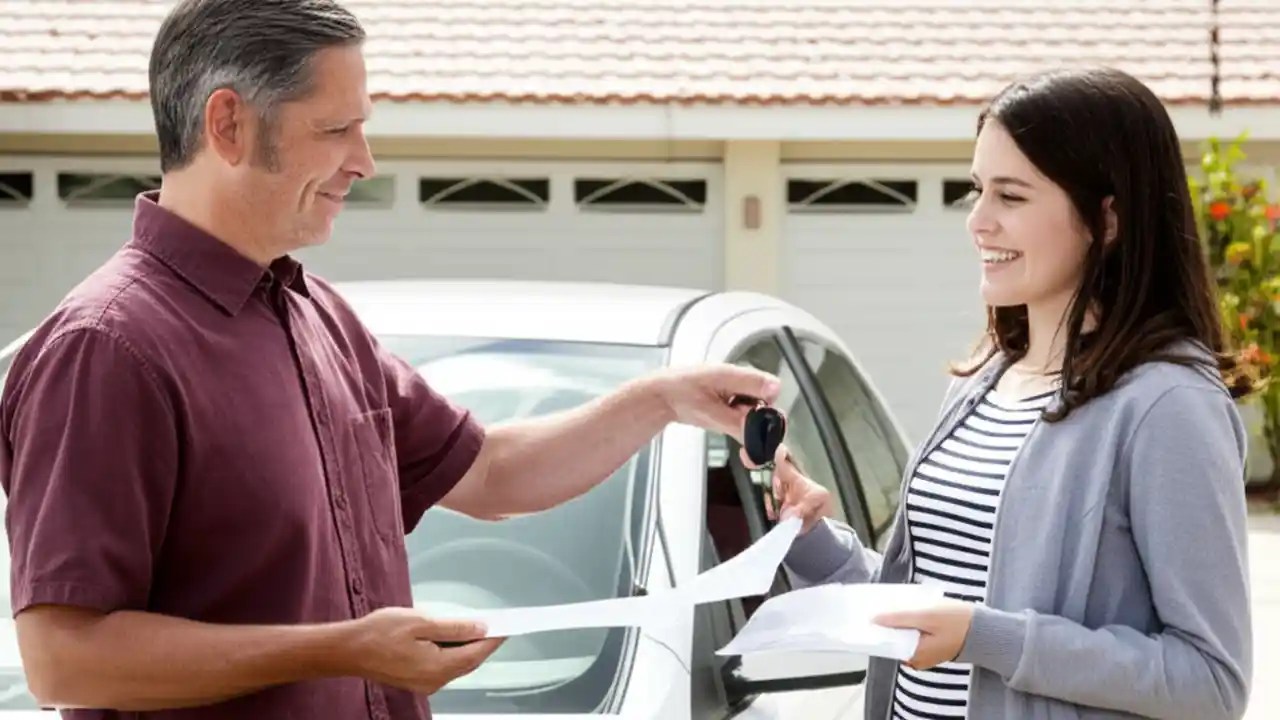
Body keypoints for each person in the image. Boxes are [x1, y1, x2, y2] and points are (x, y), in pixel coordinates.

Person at [0, 1, 780, 718]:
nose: (364, 161)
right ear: (229, 125)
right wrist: (338, 647)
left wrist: (660, 400)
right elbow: (65, 659)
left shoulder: (318, 317)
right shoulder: (106, 350)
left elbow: (492, 474)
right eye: (336, 129)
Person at [765, 66, 1253, 720]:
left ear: (1107, 219)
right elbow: (938, 611)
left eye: (1012, 196)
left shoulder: (1167, 405)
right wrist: (812, 541)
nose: (978, 222)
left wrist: (988, 636)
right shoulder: (984, 379)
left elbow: (1211, 682)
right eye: (977, 190)